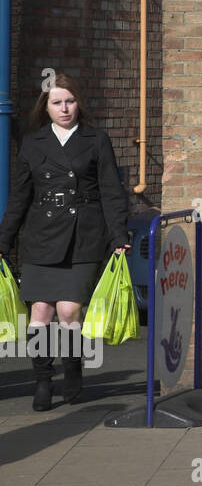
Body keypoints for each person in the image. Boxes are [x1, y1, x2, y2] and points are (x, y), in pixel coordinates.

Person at [0, 75, 130, 411]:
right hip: (41, 237)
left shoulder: (96, 139)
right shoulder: (33, 143)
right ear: (45, 107)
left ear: (78, 103)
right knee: (40, 311)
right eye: (56, 102)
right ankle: (43, 381)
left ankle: (72, 366)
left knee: (69, 311)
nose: (64, 108)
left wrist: (119, 235)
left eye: (69, 101)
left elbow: (111, 191)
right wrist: (4, 239)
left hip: (83, 235)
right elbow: (20, 196)